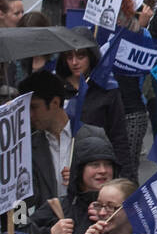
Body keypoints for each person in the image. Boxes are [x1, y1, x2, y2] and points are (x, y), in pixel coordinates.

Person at [18, 70, 107, 211]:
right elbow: (21, 202)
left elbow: (111, 187)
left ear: (54, 103)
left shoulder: (94, 136)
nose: (29, 115)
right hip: (47, 227)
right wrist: (21, 230)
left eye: (34, 107)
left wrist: (82, 181)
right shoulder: (27, 147)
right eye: (26, 109)